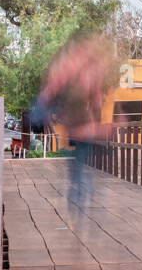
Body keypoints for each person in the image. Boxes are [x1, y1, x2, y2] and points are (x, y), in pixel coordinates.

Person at [33, 34, 113, 219]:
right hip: (79, 127)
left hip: (79, 128)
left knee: (79, 166)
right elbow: (94, 100)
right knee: (80, 165)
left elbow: (93, 100)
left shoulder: (81, 72)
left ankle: (80, 201)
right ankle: (81, 201)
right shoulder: (83, 71)